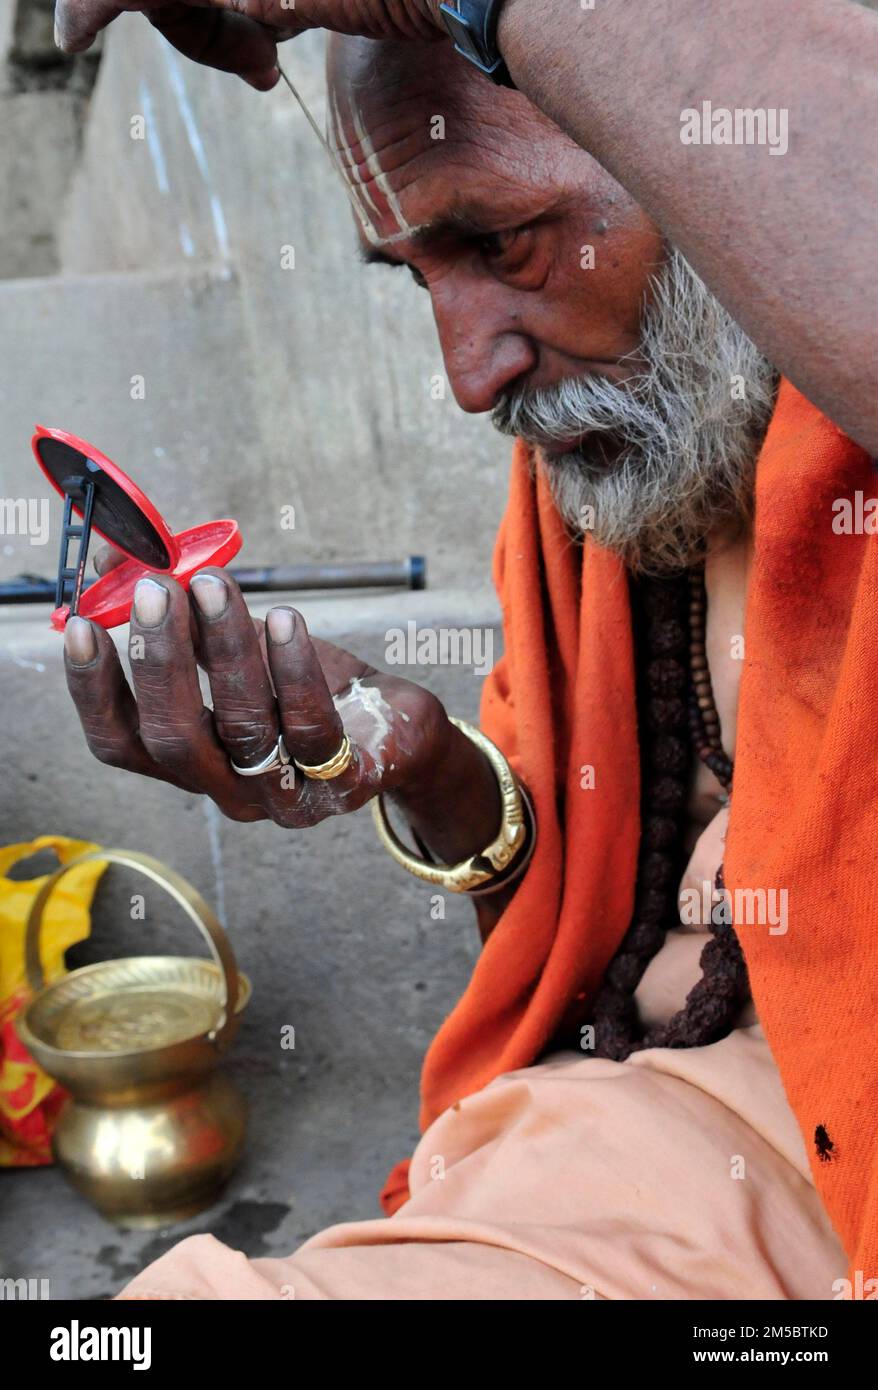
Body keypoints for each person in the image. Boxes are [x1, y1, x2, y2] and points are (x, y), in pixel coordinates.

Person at [54, 0, 878, 1298]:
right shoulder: (622, 471)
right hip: (634, 1138)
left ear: (716, 162)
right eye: (416, 272)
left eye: (504, 241)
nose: (464, 372)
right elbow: (577, 932)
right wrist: (421, 760)